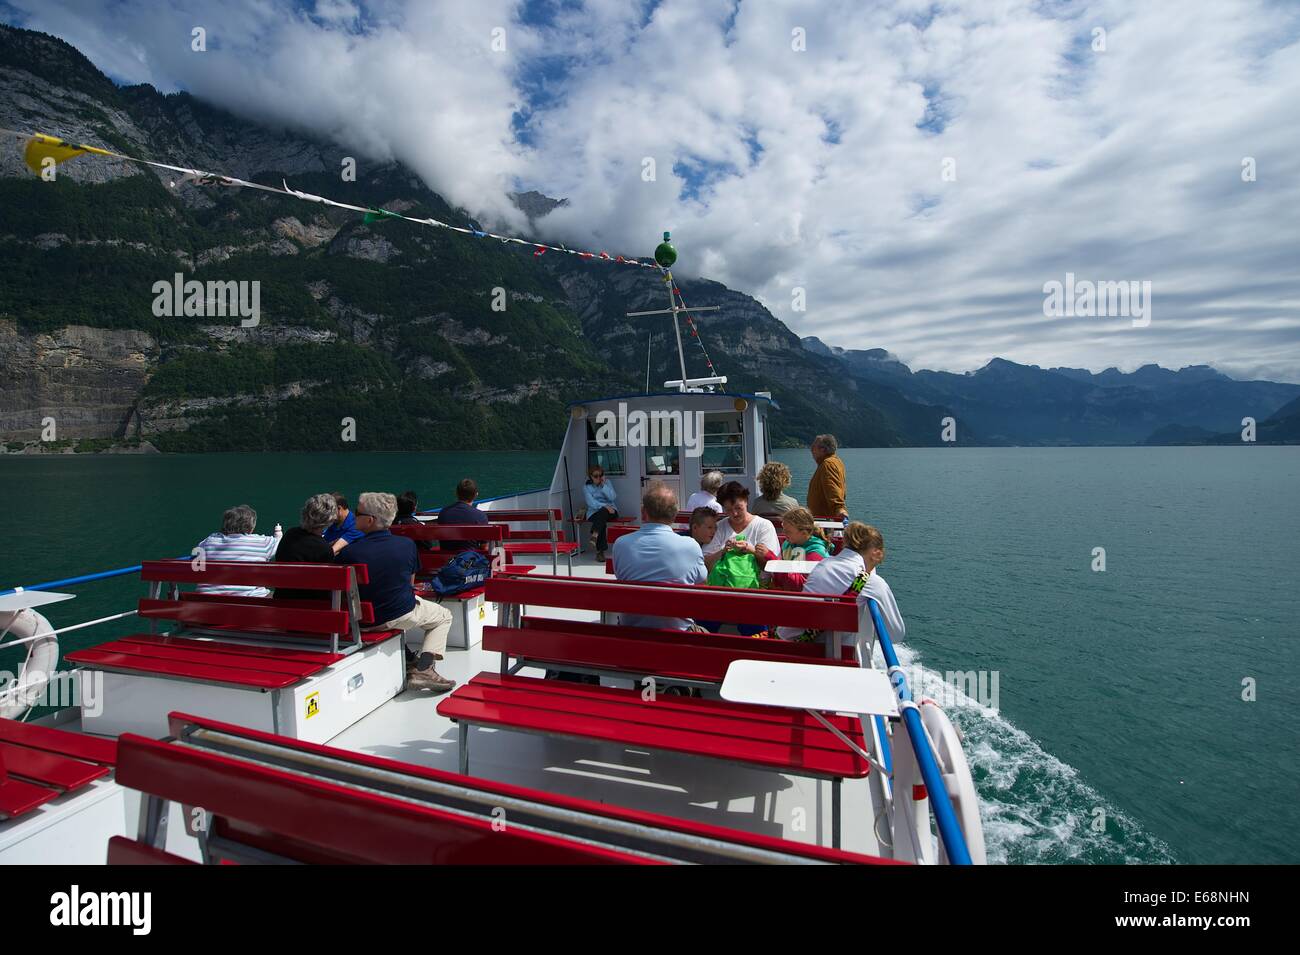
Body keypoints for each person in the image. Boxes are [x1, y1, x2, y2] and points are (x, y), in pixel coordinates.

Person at [338, 492, 455, 693]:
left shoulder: (350, 553)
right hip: (397, 614)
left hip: (361, 622)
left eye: (357, 512)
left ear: (370, 520)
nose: (354, 515)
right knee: (444, 616)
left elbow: (343, 592)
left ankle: (410, 658)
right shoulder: (406, 545)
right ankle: (425, 668)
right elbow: (410, 583)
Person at [778, 522, 904, 664]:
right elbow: (896, 634)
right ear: (876, 553)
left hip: (790, 643)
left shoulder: (823, 564)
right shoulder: (871, 582)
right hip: (830, 655)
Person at [612, 481, 707, 630]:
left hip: (631, 632)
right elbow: (701, 584)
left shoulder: (621, 544)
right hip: (679, 634)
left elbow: (621, 578)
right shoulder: (691, 546)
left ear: (644, 513)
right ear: (675, 515)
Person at [194, 504, 277, 596]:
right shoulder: (263, 542)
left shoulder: (209, 541)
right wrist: (278, 536)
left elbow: (197, 555)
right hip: (251, 600)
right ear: (251, 527)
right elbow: (281, 545)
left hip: (209, 600)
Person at [273, 493, 339, 600]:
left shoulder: (290, 534)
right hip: (310, 608)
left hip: (282, 601)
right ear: (329, 520)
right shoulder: (323, 549)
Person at [703, 481, 780, 572]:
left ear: (746, 501)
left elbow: (771, 566)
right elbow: (704, 563)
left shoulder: (764, 526)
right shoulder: (719, 527)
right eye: (728, 510)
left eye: (738, 508)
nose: (734, 514)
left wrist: (749, 550)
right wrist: (723, 552)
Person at [762, 506, 830, 590]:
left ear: (804, 533)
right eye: (784, 529)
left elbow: (801, 585)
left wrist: (772, 559)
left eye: (788, 531)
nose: (784, 533)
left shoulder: (816, 553)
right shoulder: (788, 544)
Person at [436, 478, 491, 553]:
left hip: (446, 561)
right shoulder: (480, 516)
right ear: (476, 495)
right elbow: (484, 547)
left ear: (456, 493)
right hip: (469, 561)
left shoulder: (443, 513)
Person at [806, 434, 848, 521]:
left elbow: (833, 489)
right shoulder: (835, 461)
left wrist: (839, 509)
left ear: (823, 449)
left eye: (813, 447)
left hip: (824, 521)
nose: (811, 450)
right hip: (825, 519)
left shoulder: (828, 464)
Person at [583, 465, 618, 560]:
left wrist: (603, 486)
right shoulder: (587, 487)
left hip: (611, 511)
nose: (599, 478)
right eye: (596, 476)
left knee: (601, 516)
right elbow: (591, 503)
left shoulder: (607, 483)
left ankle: (595, 537)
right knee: (601, 518)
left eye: (600, 475)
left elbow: (613, 497)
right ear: (590, 476)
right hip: (594, 512)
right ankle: (600, 551)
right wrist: (605, 506)